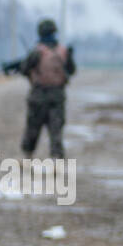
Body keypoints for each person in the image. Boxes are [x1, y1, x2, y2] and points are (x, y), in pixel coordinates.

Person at [16, 18, 75, 159]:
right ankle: (56, 161)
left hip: (38, 96)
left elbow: (24, 69)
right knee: (56, 132)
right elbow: (71, 70)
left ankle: (27, 158)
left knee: (32, 130)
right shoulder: (63, 51)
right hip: (57, 96)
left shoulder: (37, 52)